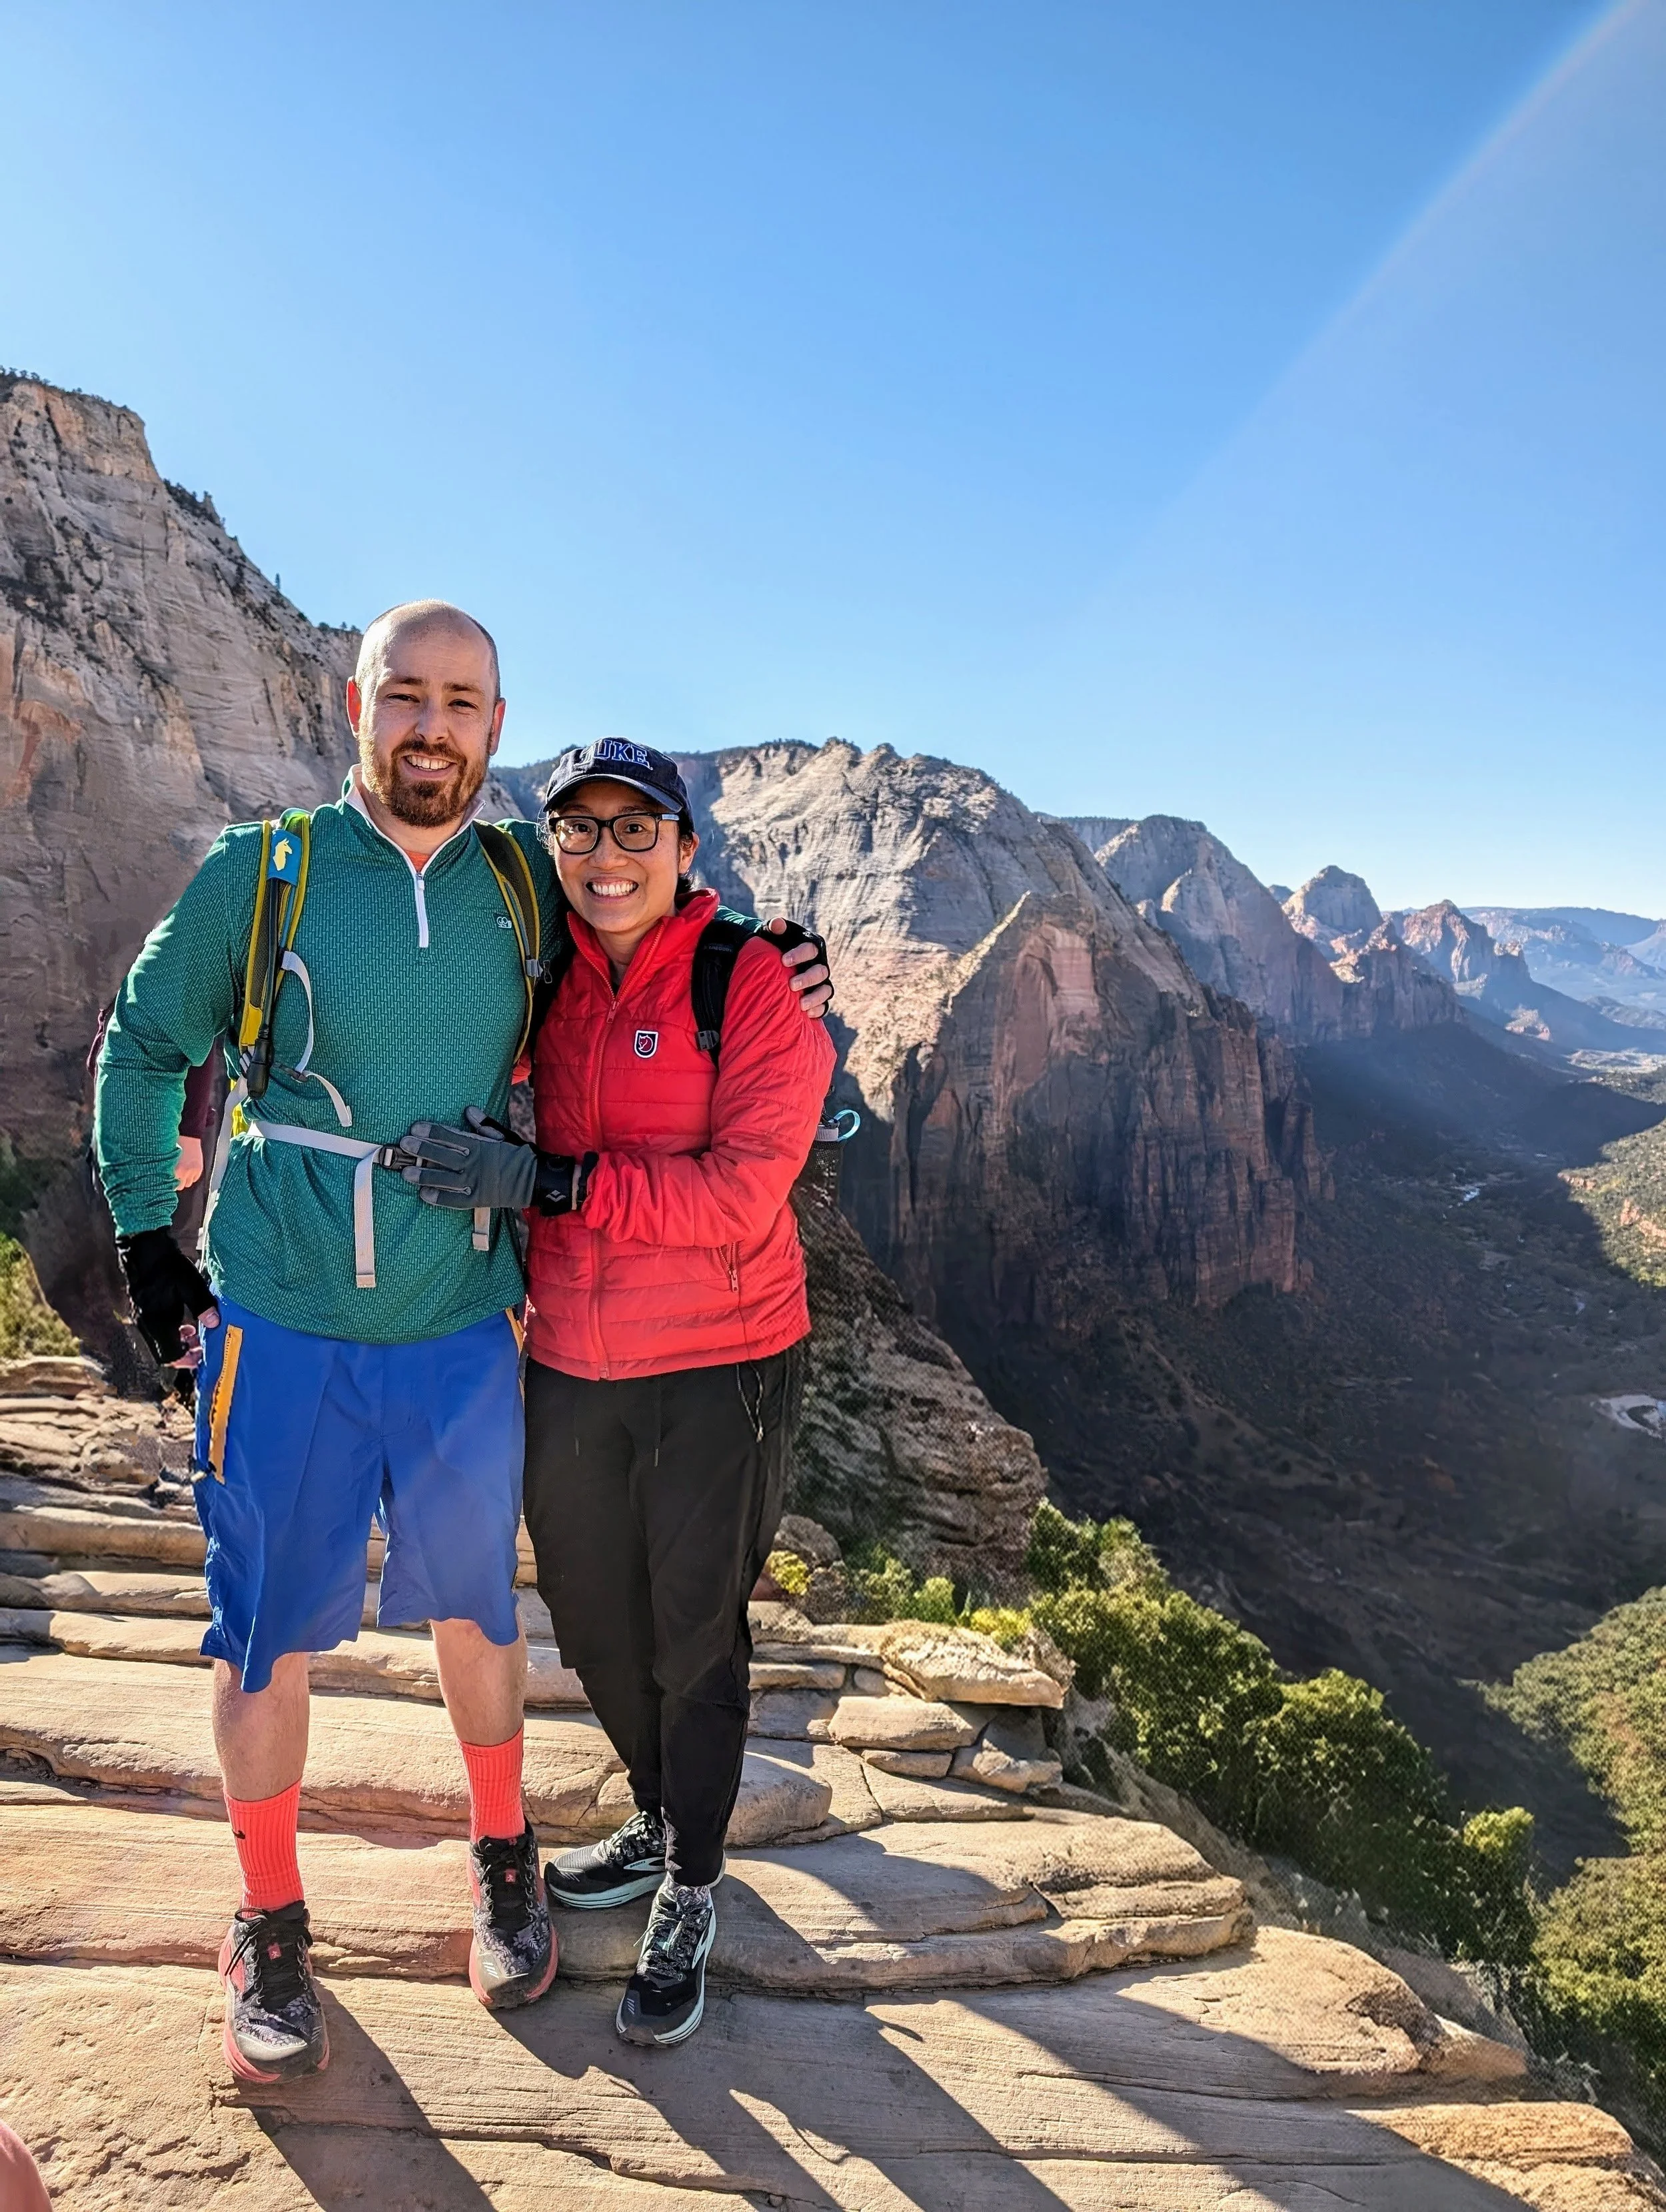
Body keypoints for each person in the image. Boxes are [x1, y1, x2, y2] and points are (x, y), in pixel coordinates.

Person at [95, 606, 830, 2084]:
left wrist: (781, 957)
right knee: (262, 1629)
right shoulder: (268, 872)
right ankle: (270, 1916)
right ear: (354, 703)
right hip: (286, 1315)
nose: (431, 726)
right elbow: (141, 1041)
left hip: (459, 1325)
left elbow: (653, 918)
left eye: (462, 703)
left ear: (494, 727)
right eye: (406, 699)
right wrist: (146, 1254)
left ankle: (505, 1859)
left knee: (477, 1613)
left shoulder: (519, 881)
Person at [397, 740, 834, 2049]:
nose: (606, 854)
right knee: (591, 1616)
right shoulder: (545, 985)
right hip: (574, 1362)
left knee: (696, 1630)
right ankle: (657, 1812)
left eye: (634, 829)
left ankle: (691, 1882)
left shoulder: (749, 978)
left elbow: (740, 1195)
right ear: (554, 851)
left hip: (724, 1359)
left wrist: (552, 1186)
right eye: (579, 831)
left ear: (684, 850)